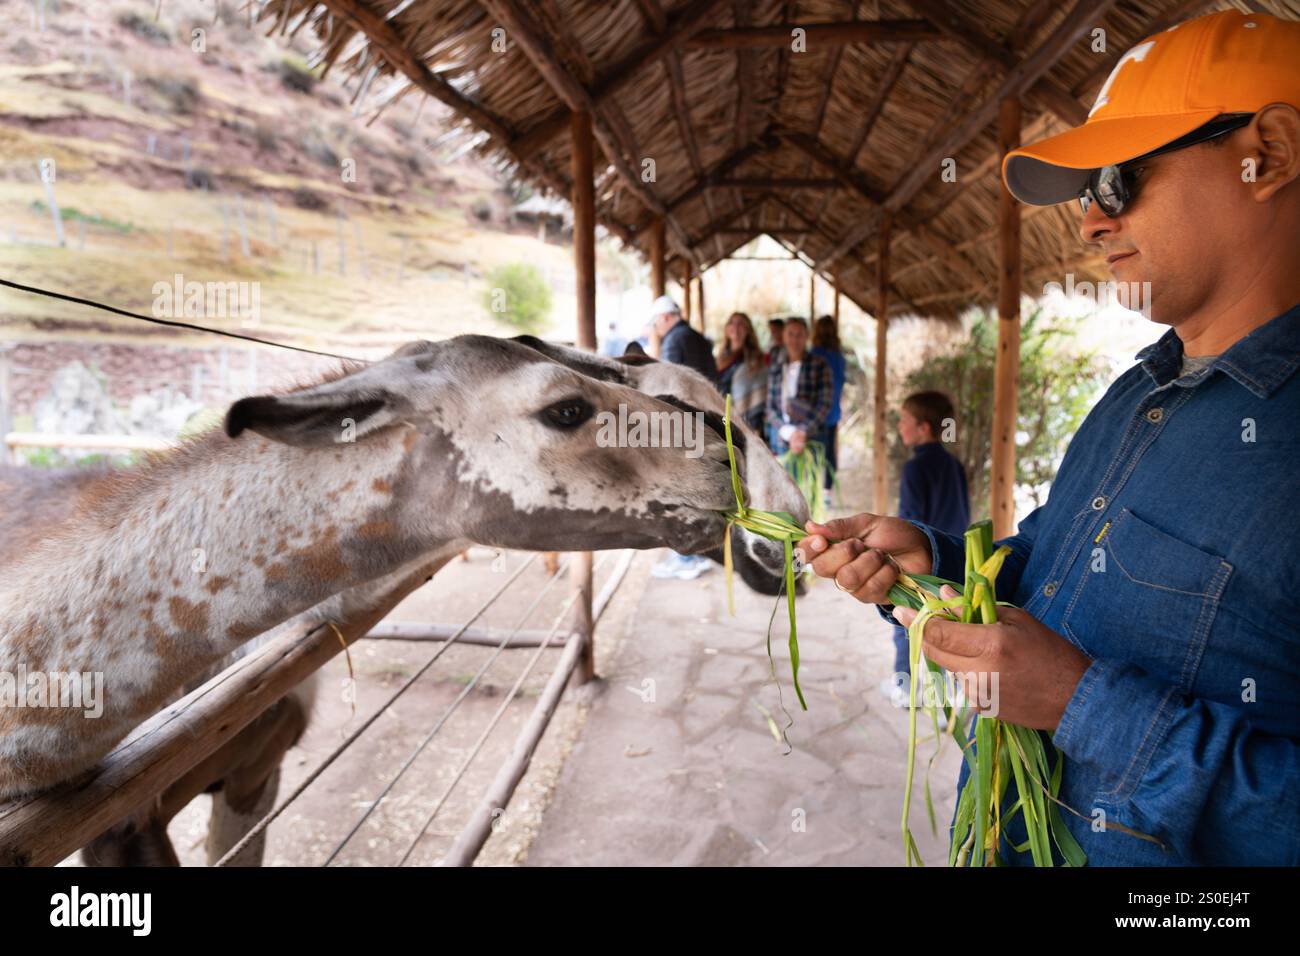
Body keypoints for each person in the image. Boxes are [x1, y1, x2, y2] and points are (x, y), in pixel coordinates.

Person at [797, 9, 1300, 866]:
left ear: (1273, 154)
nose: (1090, 222)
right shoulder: (1133, 397)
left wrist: (1082, 706)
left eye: (1117, 180)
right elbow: (1053, 571)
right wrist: (939, 567)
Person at [880, 391, 970, 705]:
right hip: (954, 557)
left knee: (905, 617)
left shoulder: (915, 469)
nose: (900, 427)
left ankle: (905, 689)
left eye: (905, 420)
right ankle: (954, 689)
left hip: (923, 561)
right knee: (951, 621)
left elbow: (910, 523)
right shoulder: (954, 465)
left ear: (924, 428)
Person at [647, 295, 717, 580]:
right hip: (708, 420)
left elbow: (670, 390)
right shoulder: (698, 338)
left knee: (683, 491)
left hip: (687, 425)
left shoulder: (675, 340)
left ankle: (687, 557)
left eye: (656, 323)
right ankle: (694, 554)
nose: (657, 329)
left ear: (665, 317)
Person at [765, 317, 832, 457]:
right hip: (781, 438)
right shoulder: (776, 367)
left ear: (807, 337)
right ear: (783, 336)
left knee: (809, 479)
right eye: (790, 334)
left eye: (799, 334)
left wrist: (801, 432)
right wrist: (787, 432)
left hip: (811, 437)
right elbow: (770, 407)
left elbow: (825, 404)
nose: (794, 339)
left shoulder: (820, 365)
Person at [809, 315, 847, 503]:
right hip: (834, 412)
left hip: (818, 414)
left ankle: (815, 494)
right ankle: (827, 492)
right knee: (830, 453)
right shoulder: (839, 356)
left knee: (816, 455)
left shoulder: (815, 354)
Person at [647, 295, 717, 385]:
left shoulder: (672, 340)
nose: (655, 328)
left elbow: (666, 380)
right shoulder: (696, 335)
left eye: (655, 323)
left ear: (665, 317)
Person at [716, 311, 767, 433]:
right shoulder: (720, 357)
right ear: (727, 329)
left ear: (748, 330)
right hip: (720, 414)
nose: (736, 327)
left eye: (741, 324)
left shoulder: (755, 359)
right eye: (732, 323)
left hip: (746, 420)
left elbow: (759, 393)